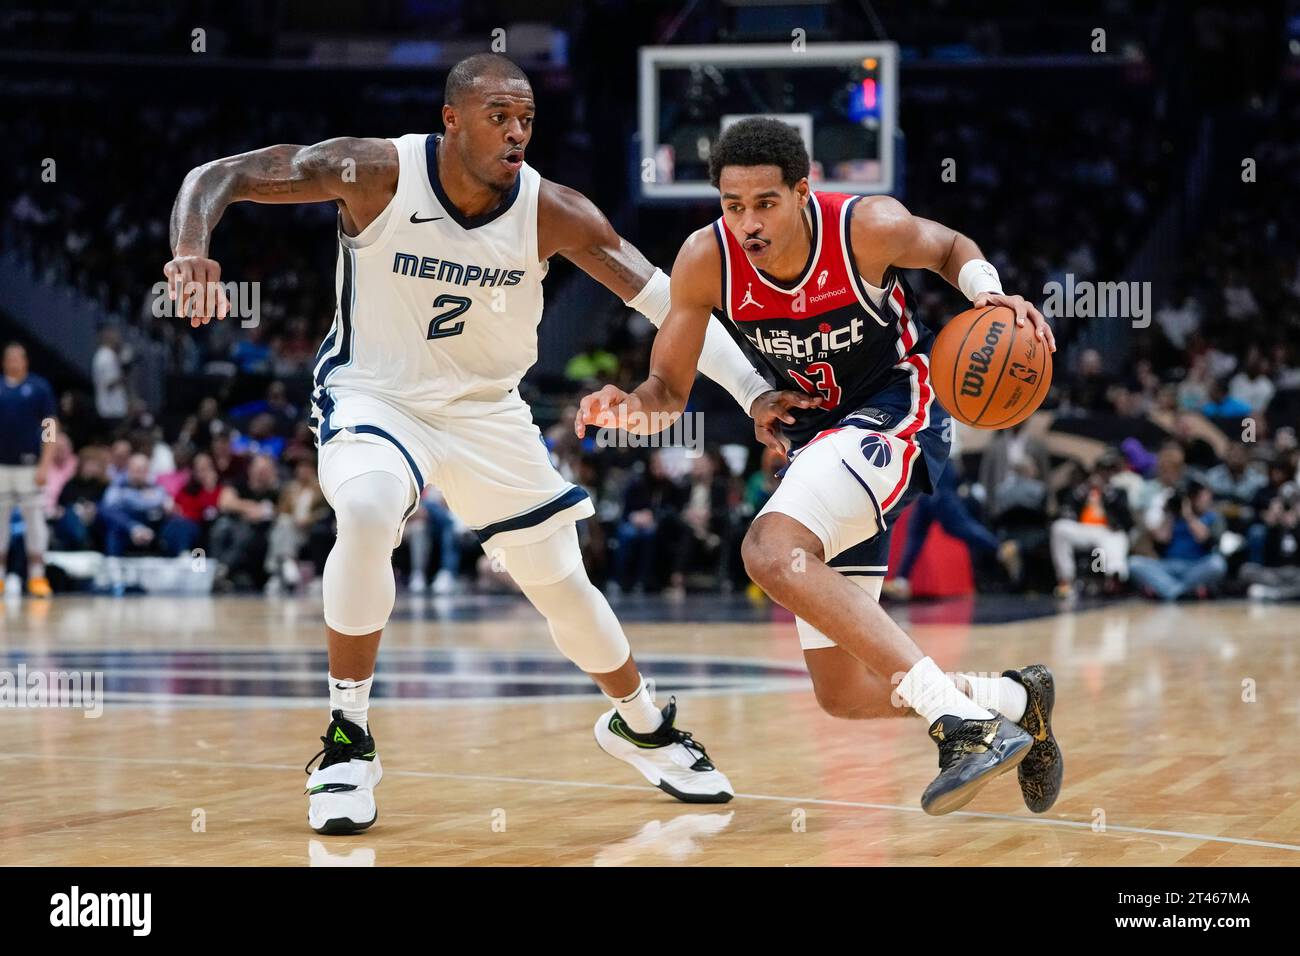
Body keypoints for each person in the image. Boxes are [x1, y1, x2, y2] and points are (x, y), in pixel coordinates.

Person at [164, 53, 813, 833]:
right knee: (367, 510)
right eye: (498, 116)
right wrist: (191, 248)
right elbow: (221, 174)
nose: (516, 133)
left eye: (526, 119)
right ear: (451, 119)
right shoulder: (373, 172)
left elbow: (668, 303)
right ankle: (347, 738)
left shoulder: (552, 210)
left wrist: (752, 391)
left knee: (561, 584)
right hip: (378, 395)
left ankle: (642, 724)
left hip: (487, 412)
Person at [577, 117, 1063, 815]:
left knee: (769, 551)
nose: (748, 223)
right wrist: (629, 409)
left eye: (765, 203)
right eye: (733, 205)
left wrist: (987, 294)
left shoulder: (866, 227)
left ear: (802, 192)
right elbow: (668, 391)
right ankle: (1016, 698)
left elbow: (949, 247)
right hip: (818, 442)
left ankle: (960, 724)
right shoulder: (705, 259)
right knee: (847, 694)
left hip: (896, 410)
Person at [0, 342, 57, 597]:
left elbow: (50, 425)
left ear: (25, 361)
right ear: (4, 361)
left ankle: (37, 576)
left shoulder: (39, 388)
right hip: (2, 467)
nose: (13, 362)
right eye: (9, 358)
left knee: (34, 521)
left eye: (18, 358)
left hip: (29, 466)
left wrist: (45, 463)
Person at [1049, 453, 1133, 597]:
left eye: (1109, 470)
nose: (1105, 473)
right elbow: (1067, 510)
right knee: (1059, 528)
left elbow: (1126, 519)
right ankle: (1066, 580)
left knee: (1117, 538)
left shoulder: (1119, 492)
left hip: (1107, 531)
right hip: (1083, 530)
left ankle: (1114, 579)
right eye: (1102, 469)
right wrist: (1085, 490)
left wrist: (1105, 491)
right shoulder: (1082, 490)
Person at [1130, 481, 1228, 600]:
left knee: (1217, 564)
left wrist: (1188, 515)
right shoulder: (1172, 517)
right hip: (1168, 566)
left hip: (1196, 566)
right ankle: (1181, 592)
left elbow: (1204, 539)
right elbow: (1162, 539)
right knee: (1134, 563)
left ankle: (1169, 591)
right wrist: (1169, 512)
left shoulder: (1212, 517)